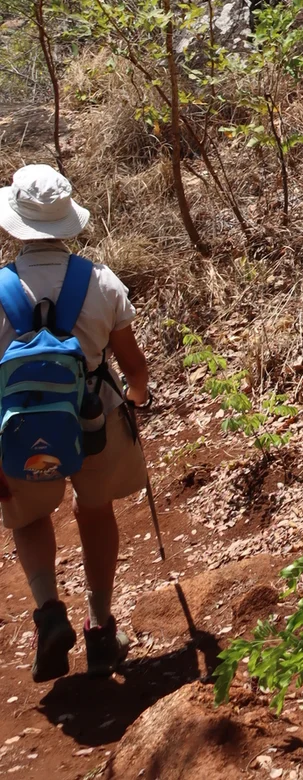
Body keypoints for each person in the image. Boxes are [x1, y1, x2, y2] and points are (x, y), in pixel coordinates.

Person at [0, 165, 150, 682]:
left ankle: (47, 613)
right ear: (67, 223)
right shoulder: (101, 282)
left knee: (30, 519)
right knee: (95, 509)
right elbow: (133, 369)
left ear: (12, 226)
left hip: (19, 434)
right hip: (95, 424)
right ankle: (101, 627)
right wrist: (137, 398)